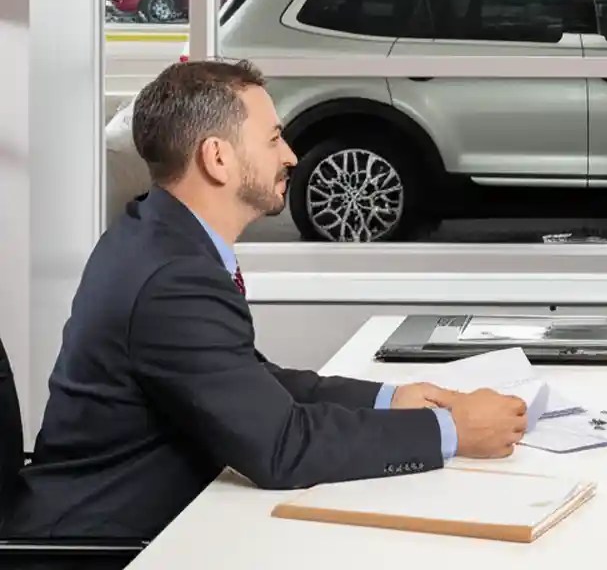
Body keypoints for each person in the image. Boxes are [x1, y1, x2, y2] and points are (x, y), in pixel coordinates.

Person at [4, 60, 529, 540]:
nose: (291, 155)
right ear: (217, 157)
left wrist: (390, 399)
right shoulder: (173, 277)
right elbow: (281, 447)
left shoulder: (157, 238)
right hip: (103, 541)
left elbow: (250, 381)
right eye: (274, 138)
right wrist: (451, 431)